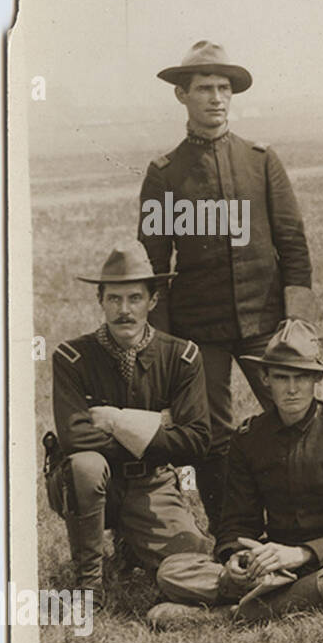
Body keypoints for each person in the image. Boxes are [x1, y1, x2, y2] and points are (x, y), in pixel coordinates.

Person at [138, 40, 313, 530]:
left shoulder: (261, 160)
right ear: (181, 96)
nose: (216, 98)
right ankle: (229, 532)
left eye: (223, 89)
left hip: (266, 323)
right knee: (209, 435)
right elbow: (154, 265)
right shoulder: (164, 174)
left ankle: (305, 525)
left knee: (293, 414)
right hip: (199, 330)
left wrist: (296, 324)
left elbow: (294, 245)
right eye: (204, 89)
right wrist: (165, 344)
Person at [152, 320, 323, 628]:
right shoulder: (249, 436)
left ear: (316, 378)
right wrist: (236, 560)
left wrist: (301, 554)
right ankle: (287, 597)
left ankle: (235, 615)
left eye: (301, 377)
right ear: (265, 378)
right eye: (282, 377)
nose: (292, 388)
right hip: (270, 564)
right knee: (172, 570)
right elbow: (236, 522)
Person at [46, 245, 212, 605]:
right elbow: (74, 437)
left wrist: (120, 421)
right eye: (114, 299)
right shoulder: (72, 357)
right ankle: (89, 582)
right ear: (100, 301)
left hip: (151, 482)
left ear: (152, 301)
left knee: (196, 563)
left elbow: (197, 440)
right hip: (91, 486)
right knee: (86, 465)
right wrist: (163, 427)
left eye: (135, 298)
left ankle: (133, 544)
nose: (124, 310)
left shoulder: (181, 356)